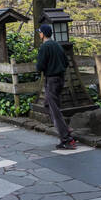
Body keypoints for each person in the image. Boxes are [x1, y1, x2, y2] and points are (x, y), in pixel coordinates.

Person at [36, 22, 78, 150]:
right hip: (60, 78)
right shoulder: (57, 45)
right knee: (48, 105)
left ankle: (66, 138)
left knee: (54, 109)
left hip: (51, 80)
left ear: (42, 34)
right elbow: (66, 62)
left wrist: (43, 68)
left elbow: (40, 66)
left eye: (39, 32)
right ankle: (65, 129)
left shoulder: (45, 47)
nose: (39, 34)